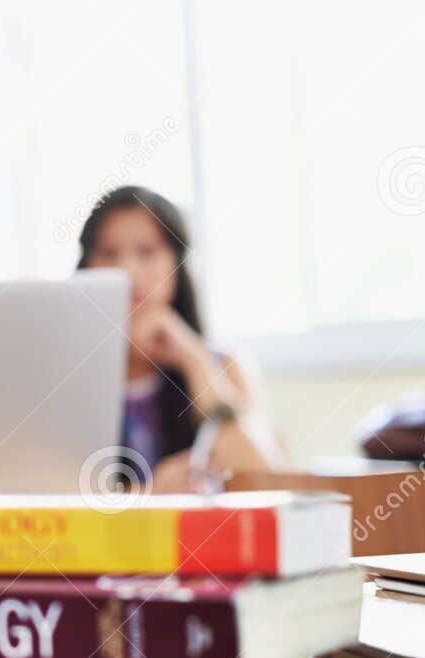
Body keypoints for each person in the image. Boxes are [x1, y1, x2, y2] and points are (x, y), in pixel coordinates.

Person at [76, 185, 282, 490]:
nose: (127, 271)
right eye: (108, 254)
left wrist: (195, 360)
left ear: (177, 264)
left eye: (147, 252)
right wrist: (149, 498)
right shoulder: (66, 373)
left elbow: (267, 486)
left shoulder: (221, 362)